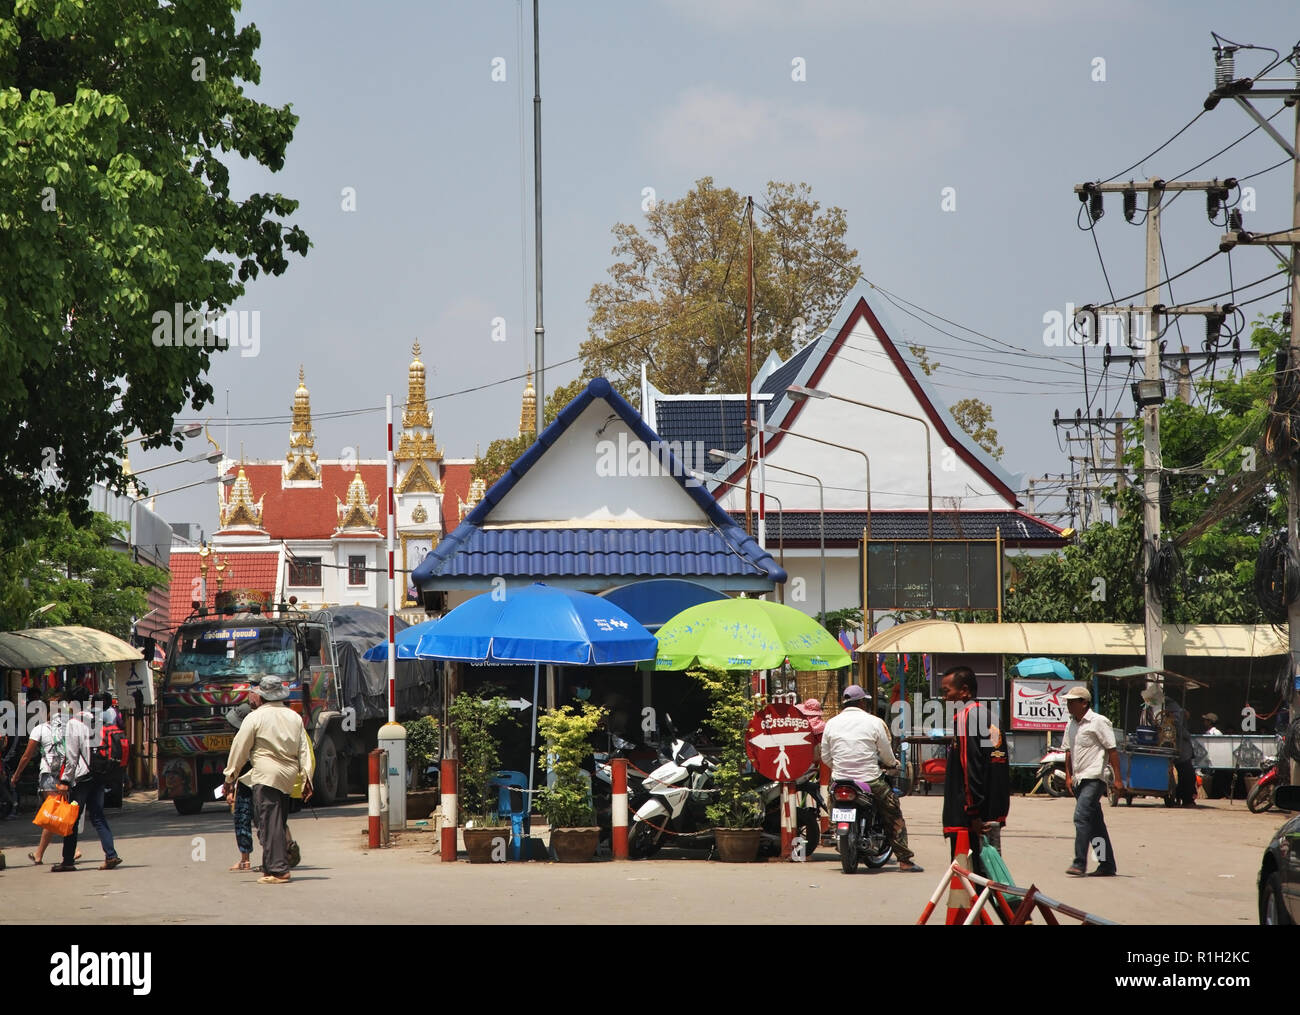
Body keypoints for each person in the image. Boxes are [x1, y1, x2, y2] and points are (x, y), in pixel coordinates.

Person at [820, 684, 923, 872]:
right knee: (893, 812)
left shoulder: (831, 723)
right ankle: (905, 860)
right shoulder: (874, 722)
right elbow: (885, 752)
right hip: (870, 780)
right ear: (861, 702)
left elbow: (825, 756)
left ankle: (835, 828)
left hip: (839, 780)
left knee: (831, 802)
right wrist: (892, 764)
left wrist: (840, 768)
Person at [222, 675, 313, 885]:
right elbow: (304, 749)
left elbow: (239, 749)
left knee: (269, 822)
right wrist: (307, 777)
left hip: (266, 774)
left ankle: (279, 870)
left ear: (261, 695)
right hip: (289, 776)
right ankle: (271, 866)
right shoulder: (293, 717)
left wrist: (230, 776)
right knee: (277, 822)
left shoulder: (255, 718)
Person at [939, 666, 1010, 874]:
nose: (944, 698)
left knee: (971, 881)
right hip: (993, 811)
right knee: (991, 873)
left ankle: (1011, 907)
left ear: (964, 691)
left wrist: (973, 812)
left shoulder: (966, 717)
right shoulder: (990, 716)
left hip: (970, 819)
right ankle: (1006, 907)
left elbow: (971, 768)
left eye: (947, 691)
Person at [10, 689, 79, 865]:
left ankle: (66, 850)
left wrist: (16, 775)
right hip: (67, 775)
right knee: (56, 813)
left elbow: (26, 756)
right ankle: (43, 853)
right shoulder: (71, 726)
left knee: (53, 814)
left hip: (49, 775)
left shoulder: (40, 729)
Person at [1062, 685, 1124, 876]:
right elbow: (1068, 751)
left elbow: (1112, 749)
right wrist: (1069, 776)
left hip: (1094, 777)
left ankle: (1079, 862)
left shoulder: (1099, 722)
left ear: (1084, 703)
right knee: (1095, 824)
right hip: (1079, 779)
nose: (1069, 705)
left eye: (1072, 702)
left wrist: (1118, 779)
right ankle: (1107, 864)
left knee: (1080, 817)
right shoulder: (1071, 724)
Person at [73, 695, 123, 871]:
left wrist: (66, 778)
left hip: (83, 775)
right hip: (101, 772)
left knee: (73, 817)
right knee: (98, 816)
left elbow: (72, 753)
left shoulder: (77, 721)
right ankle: (111, 855)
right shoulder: (106, 717)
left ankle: (67, 860)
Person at [1141, 681, 1196, 807]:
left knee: (1186, 772)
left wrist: (1168, 719)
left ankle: (1187, 799)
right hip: (1161, 743)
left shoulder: (1170, 704)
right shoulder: (1149, 708)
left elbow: (1178, 718)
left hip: (1180, 743)